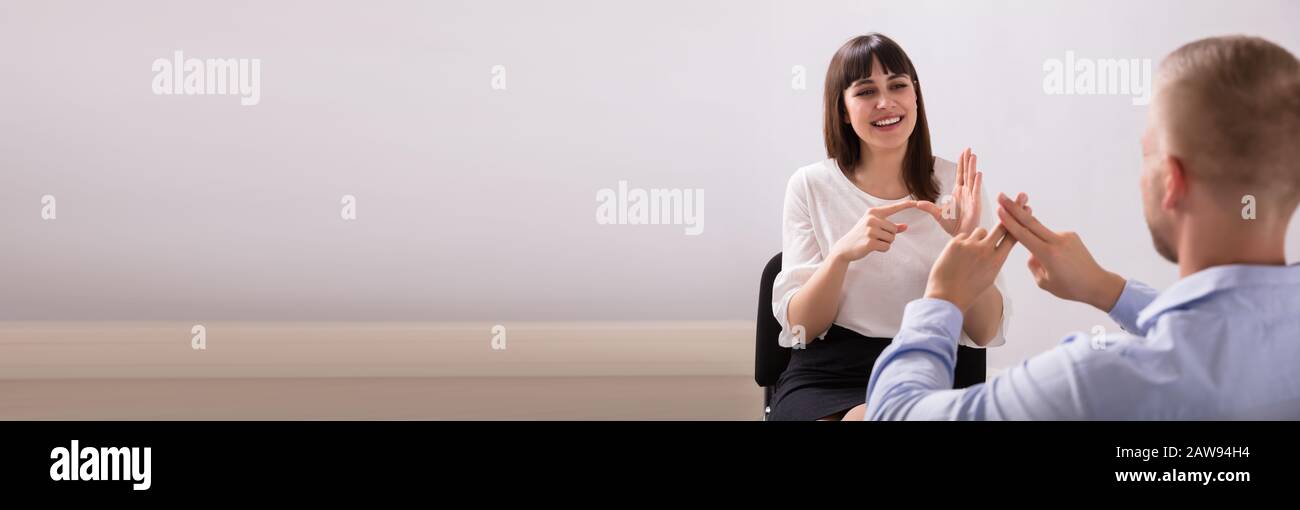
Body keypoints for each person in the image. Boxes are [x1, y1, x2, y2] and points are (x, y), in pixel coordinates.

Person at [865, 35, 1300, 420]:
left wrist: (942, 300)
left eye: (1145, 152)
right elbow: (1222, 336)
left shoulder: (1094, 381)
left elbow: (894, 413)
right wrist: (1108, 290)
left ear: (1172, 181)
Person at [769, 33, 1014, 421]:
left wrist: (966, 241)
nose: (886, 102)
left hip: (925, 366)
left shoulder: (956, 186)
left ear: (915, 96)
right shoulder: (810, 185)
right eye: (866, 91)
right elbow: (801, 327)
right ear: (844, 111)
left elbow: (983, 333)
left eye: (898, 85)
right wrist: (841, 255)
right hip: (826, 372)